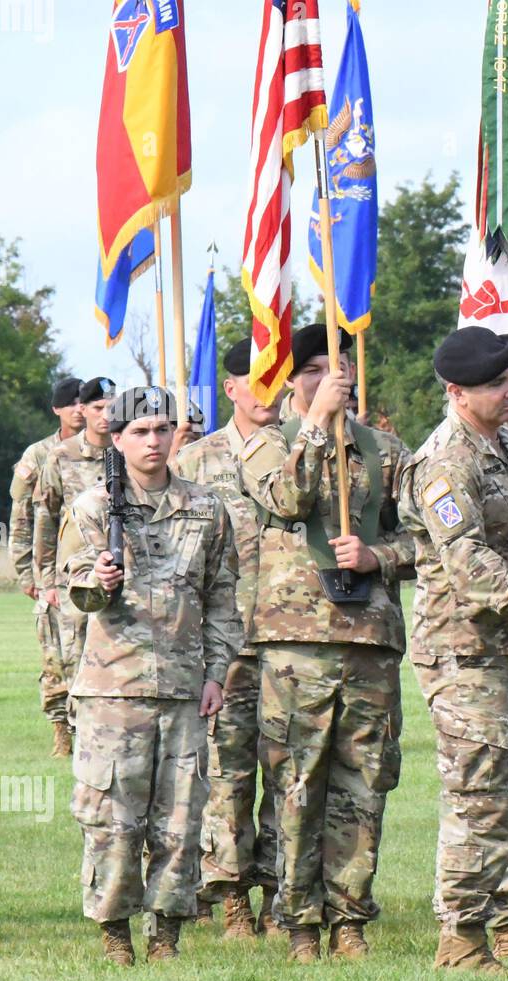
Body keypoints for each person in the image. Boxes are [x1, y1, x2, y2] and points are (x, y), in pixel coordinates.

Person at [398, 326, 508, 973]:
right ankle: (461, 936)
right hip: (462, 651)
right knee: (480, 793)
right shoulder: (445, 462)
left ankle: (504, 927)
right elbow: (469, 564)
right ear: (455, 392)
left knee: (503, 788)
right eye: (495, 383)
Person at [239, 324, 414, 964]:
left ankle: (350, 920)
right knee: (294, 784)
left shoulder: (387, 452)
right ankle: (299, 923)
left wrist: (378, 557)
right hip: (295, 644)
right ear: (290, 378)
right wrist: (316, 421)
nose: (327, 378)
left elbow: (426, 542)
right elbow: (288, 498)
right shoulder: (264, 446)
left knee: (364, 785)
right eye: (312, 369)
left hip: (368, 639)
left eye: (336, 367)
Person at [62, 387, 242, 965]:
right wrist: (101, 579)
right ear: (116, 439)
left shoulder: (207, 508)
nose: (154, 441)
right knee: (113, 817)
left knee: (182, 820)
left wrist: (217, 673)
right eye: (140, 432)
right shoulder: (93, 508)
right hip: (115, 690)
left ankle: (167, 936)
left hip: (186, 688)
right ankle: (116, 934)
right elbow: (77, 588)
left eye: (163, 429)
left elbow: (222, 598)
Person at [173, 341, 284, 938]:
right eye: (254, 380)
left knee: (290, 772)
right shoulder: (195, 460)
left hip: (296, 636)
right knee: (229, 772)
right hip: (226, 643)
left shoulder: (302, 451)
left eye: (278, 378)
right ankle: (232, 892)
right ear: (232, 387)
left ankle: (280, 892)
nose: (268, 390)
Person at [9, 376, 84, 755]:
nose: (78, 409)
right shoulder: (39, 454)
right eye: (69, 403)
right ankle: (60, 727)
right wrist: (28, 572)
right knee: (54, 652)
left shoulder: (109, 447)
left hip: (87, 569)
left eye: (82, 402)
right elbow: (23, 517)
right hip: (51, 570)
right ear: (57, 409)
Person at [34, 378, 116, 692]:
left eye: (111, 407)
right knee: (74, 656)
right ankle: (72, 733)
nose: (105, 415)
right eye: (98, 408)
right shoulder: (61, 456)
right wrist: (46, 582)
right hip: (73, 574)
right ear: (82, 409)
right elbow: (46, 521)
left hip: (117, 569)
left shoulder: (126, 451)